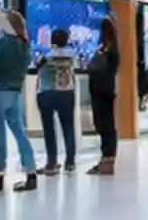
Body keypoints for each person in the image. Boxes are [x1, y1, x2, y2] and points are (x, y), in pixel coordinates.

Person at [0, 10, 37, 193]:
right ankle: (30, 173)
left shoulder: (5, 43)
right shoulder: (25, 44)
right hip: (15, 93)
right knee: (20, 133)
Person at [36, 28, 78, 176]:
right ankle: (70, 162)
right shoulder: (72, 55)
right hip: (67, 93)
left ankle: (52, 163)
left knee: (49, 130)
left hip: (47, 93)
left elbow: (38, 67)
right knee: (68, 128)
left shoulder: (46, 56)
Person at [86, 16, 120, 176]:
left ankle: (107, 159)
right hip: (106, 90)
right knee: (106, 125)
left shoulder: (107, 49)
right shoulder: (111, 48)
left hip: (101, 91)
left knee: (104, 125)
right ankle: (107, 158)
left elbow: (97, 68)